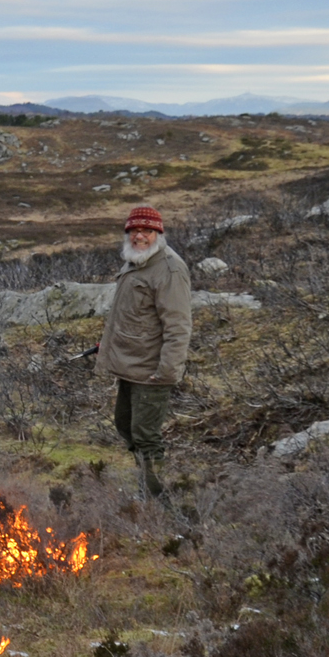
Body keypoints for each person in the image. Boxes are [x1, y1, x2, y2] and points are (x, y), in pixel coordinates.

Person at [95, 206, 192, 506]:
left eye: (147, 231)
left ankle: (157, 503)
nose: (139, 236)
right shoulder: (135, 263)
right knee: (125, 425)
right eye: (134, 231)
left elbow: (178, 327)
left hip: (152, 371)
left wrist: (166, 372)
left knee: (146, 435)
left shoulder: (170, 270)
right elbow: (124, 316)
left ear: (158, 234)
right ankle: (147, 482)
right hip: (129, 366)